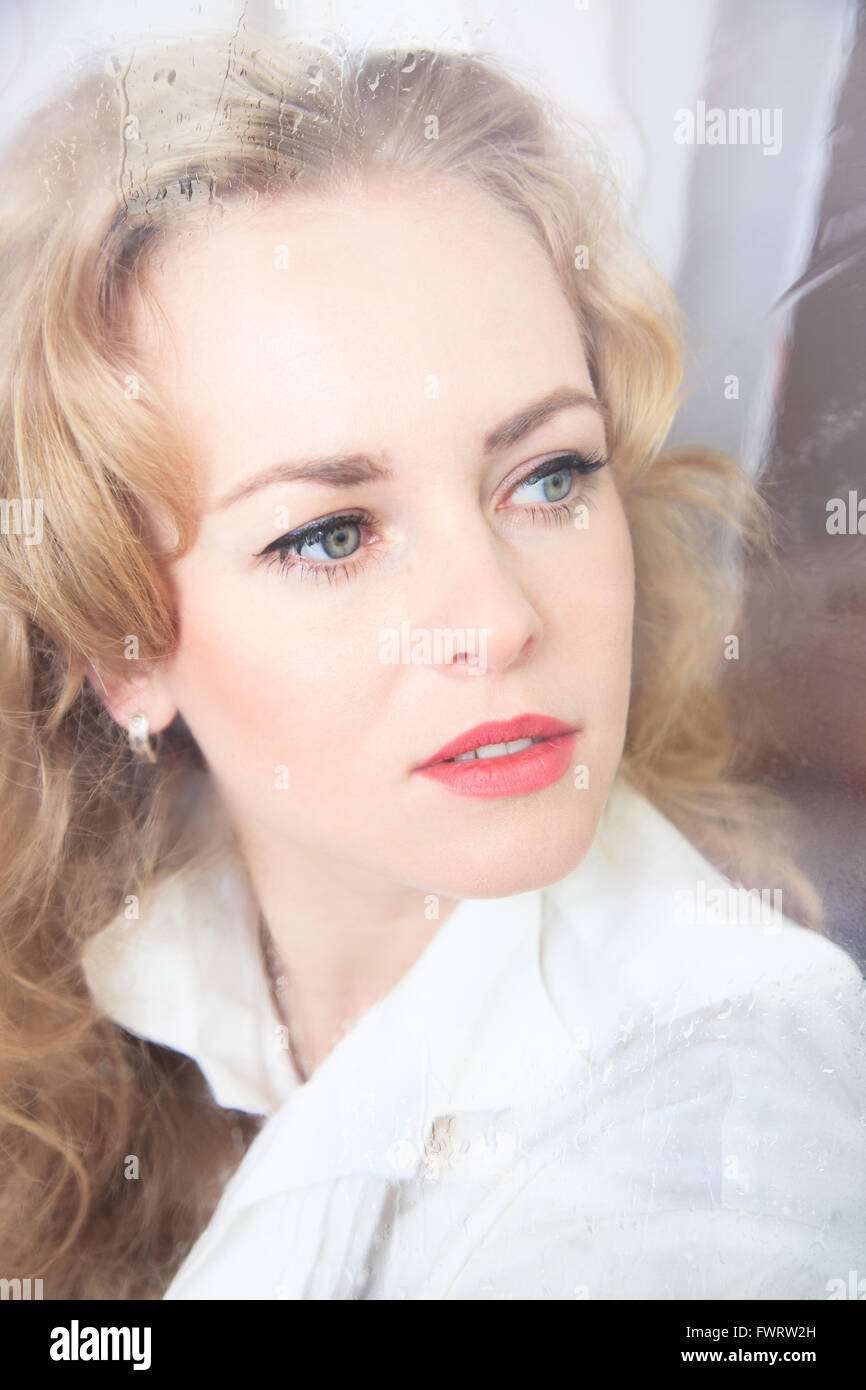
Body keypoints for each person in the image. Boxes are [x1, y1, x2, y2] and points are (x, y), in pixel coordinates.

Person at [0, 28, 862, 1301]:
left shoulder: (707, 1131)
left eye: (546, 474)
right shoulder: (130, 969)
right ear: (121, 645)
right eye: (331, 534)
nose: (497, 618)